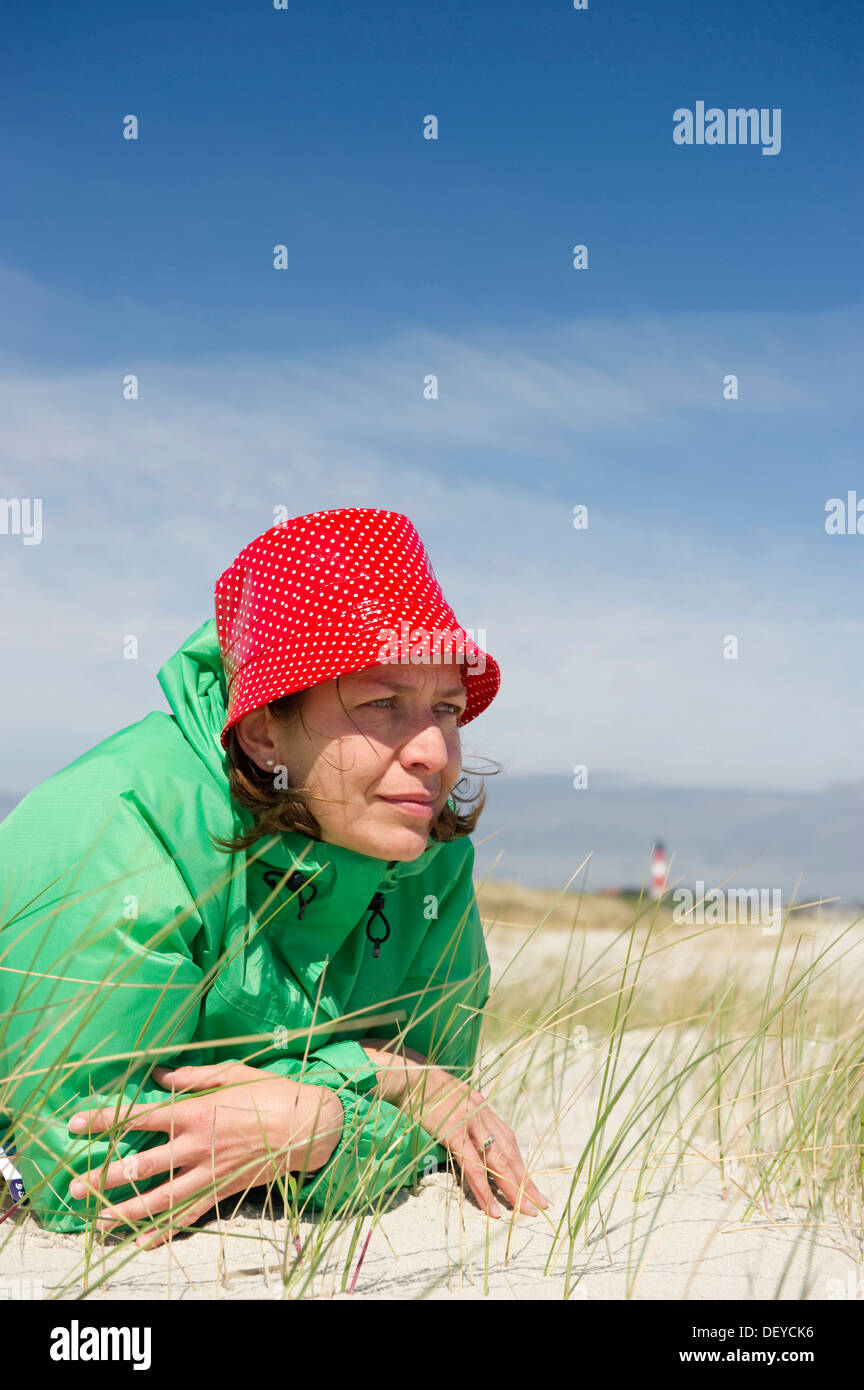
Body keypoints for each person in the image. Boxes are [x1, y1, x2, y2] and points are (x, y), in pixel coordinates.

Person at [0, 507, 549, 1246]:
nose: (434, 751)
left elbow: (445, 1125)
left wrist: (322, 1118)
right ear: (263, 730)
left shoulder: (428, 854)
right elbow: (82, 1174)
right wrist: (370, 1086)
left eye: (446, 708)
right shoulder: (121, 828)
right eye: (382, 703)